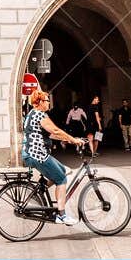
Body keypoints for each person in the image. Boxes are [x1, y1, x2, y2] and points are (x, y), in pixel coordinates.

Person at [22, 89, 85, 225]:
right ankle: (61, 215)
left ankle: (39, 190)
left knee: (63, 170)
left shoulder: (32, 114)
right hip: (37, 154)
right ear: (39, 102)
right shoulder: (39, 115)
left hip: (34, 153)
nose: (49, 102)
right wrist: (73, 140)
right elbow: (55, 130)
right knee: (61, 179)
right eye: (46, 100)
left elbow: (51, 134)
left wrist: (67, 139)